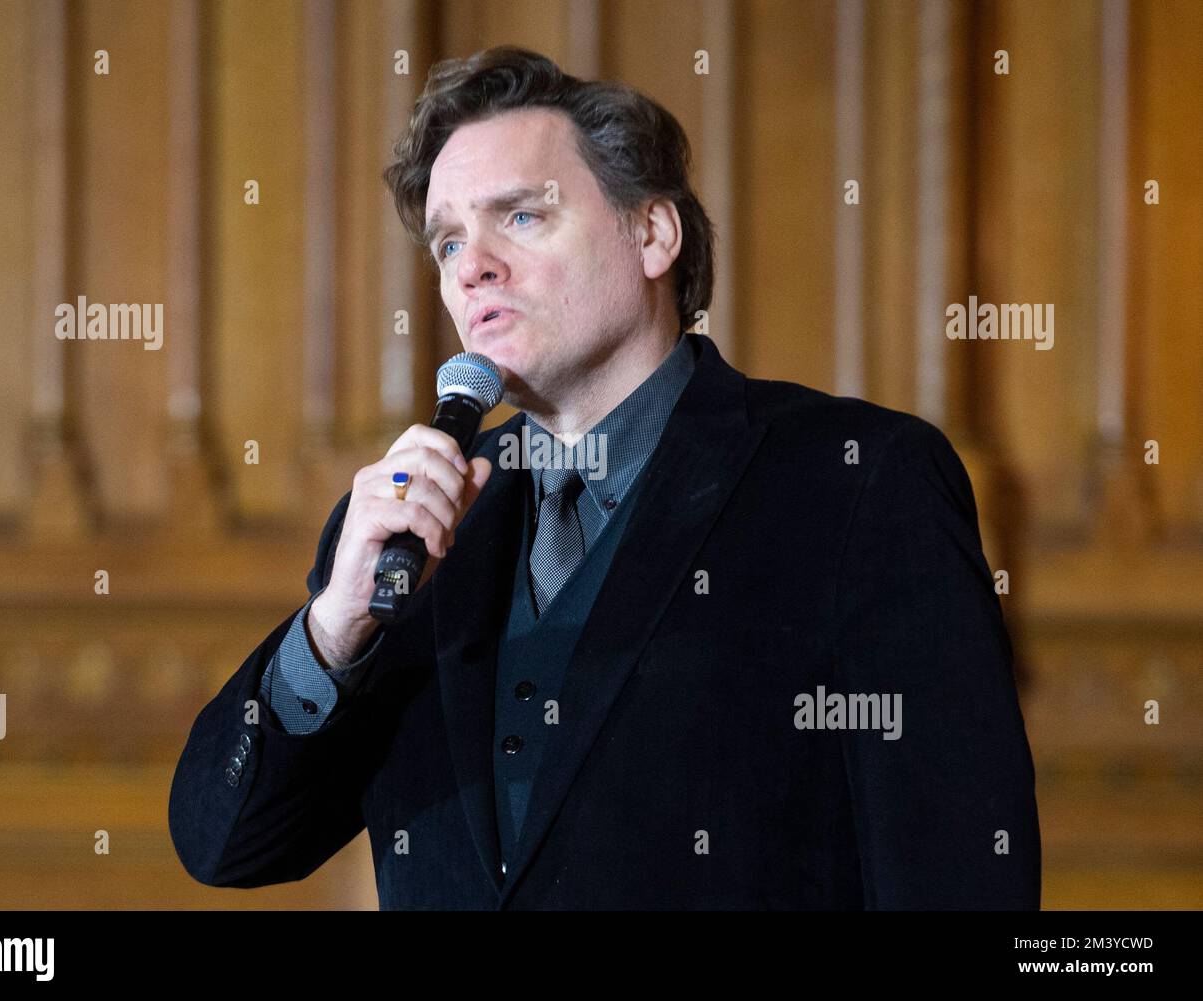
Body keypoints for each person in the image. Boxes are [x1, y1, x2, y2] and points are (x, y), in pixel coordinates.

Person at [168, 46, 1041, 909]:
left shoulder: (859, 484)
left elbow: (959, 875)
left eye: (520, 217)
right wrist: (331, 630)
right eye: (447, 242)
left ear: (652, 233)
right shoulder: (411, 532)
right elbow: (227, 842)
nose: (471, 265)